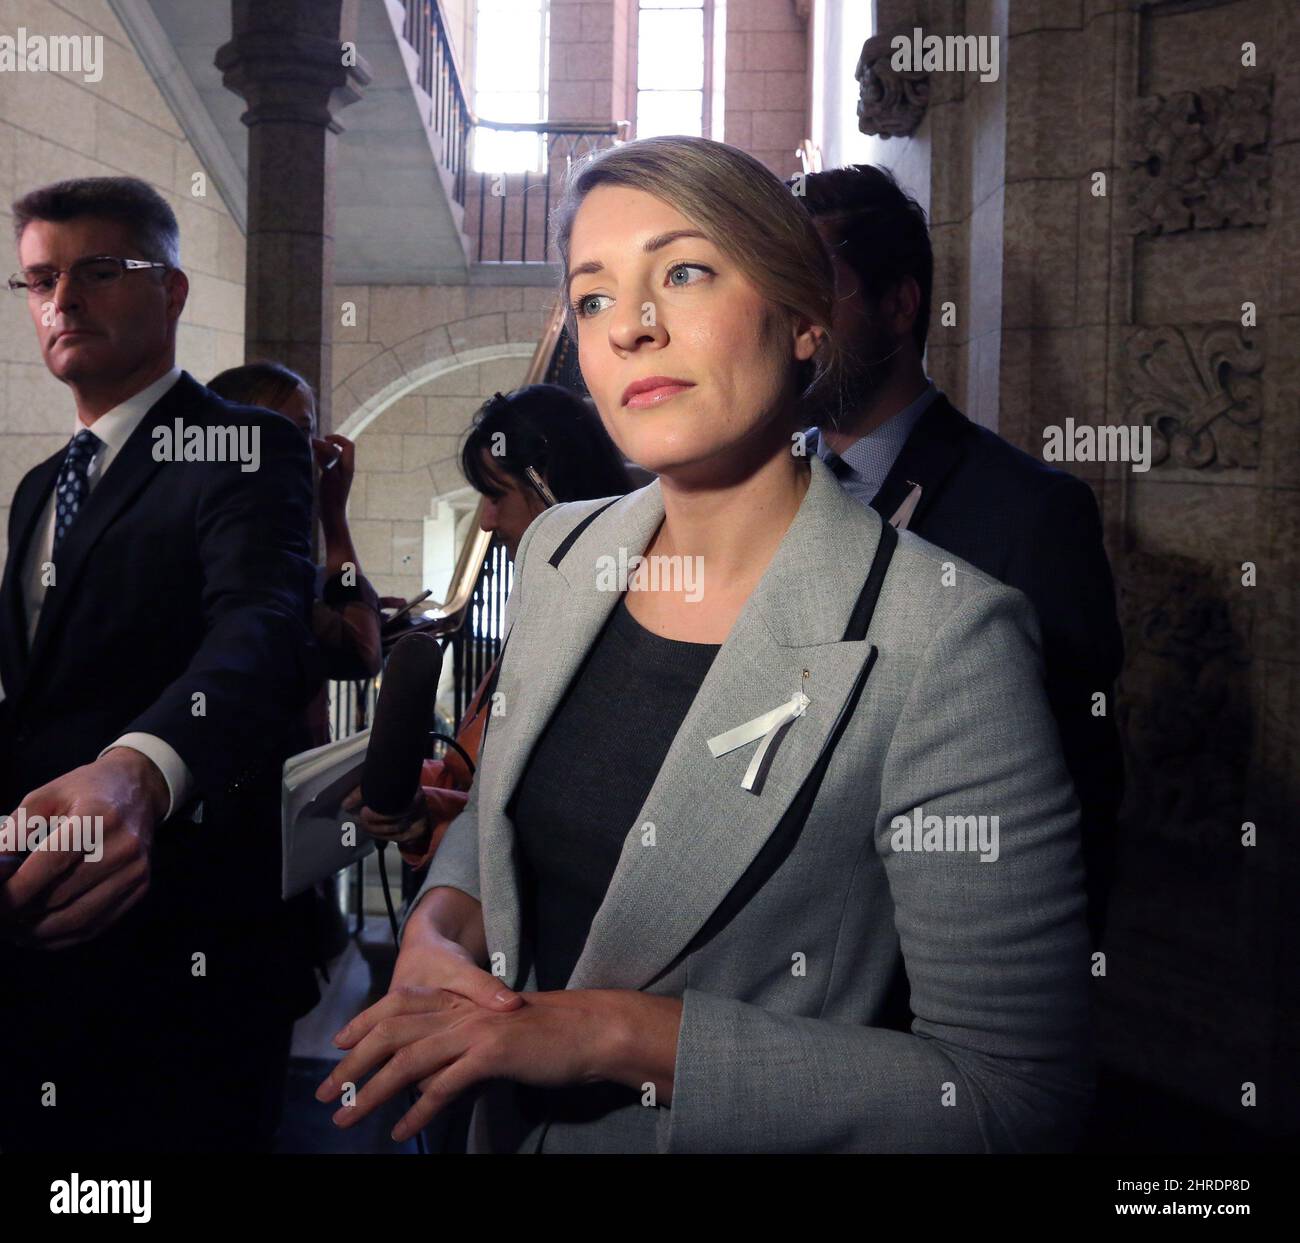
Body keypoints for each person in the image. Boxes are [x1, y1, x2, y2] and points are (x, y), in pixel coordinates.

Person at [316, 136, 1093, 1154]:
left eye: (682, 273)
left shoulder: (946, 639)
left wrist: (614, 1034)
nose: (632, 327)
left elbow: (1006, 1096)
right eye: (593, 298)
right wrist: (442, 922)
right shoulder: (560, 549)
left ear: (806, 318)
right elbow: (501, 801)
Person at [0, 177, 320, 1152]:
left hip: (186, 929)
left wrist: (140, 771)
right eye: (41, 279)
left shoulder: (243, 443)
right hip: (43, 915)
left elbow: (258, 630)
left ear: (172, 291)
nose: (63, 302)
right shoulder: (34, 489)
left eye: (98, 270)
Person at [795, 164, 1124, 949]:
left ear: (899, 303)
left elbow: (1076, 801)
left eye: (815, 290)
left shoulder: (1032, 514)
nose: (790, 325)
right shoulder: (760, 490)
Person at [357, 384, 635, 877]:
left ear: (551, 488)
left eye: (496, 496)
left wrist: (433, 820)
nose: (486, 522)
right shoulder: (549, 598)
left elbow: (543, 821)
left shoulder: (614, 622)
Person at [208, 361, 382, 748]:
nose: (312, 452)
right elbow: (361, 652)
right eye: (292, 433)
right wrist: (334, 516)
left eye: (308, 433)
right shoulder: (255, 549)